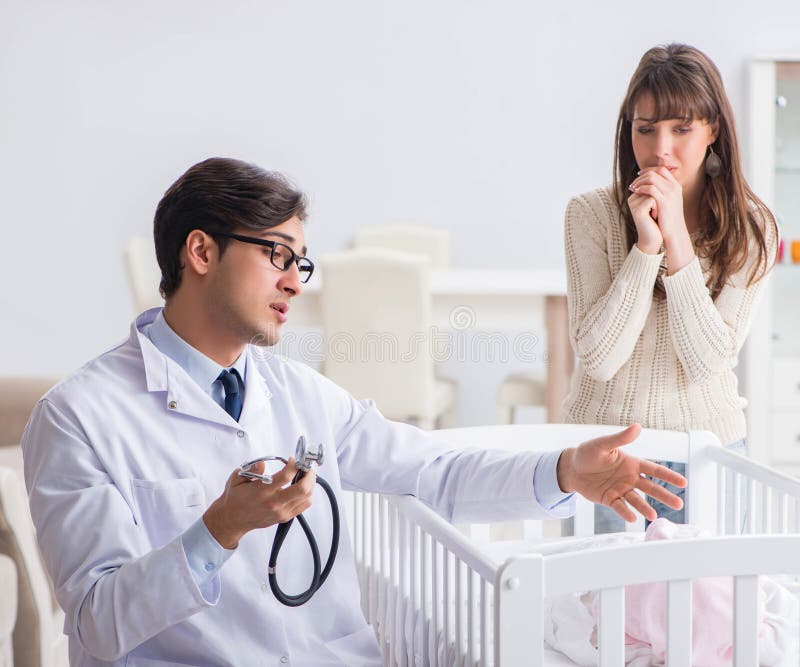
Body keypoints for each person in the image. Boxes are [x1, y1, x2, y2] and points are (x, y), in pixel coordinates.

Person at [22, 157, 685, 667]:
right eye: (275, 254)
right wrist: (216, 530)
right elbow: (97, 620)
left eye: (298, 261)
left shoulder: (302, 395)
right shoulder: (78, 417)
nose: (293, 280)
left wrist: (565, 470)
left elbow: (436, 471)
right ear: (201, 252)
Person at [562, 44, 779, 533]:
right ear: (629, 132)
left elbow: (708, 362)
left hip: (707, 454)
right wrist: (646, 248)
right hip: (606, 454)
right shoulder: (590, 214)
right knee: (598, 609)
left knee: (709, 608)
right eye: (646, 129)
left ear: (713, 130)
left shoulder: (754, 226)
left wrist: (677, 237)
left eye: (682, 128)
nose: (661, 148)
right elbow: (598, 359)